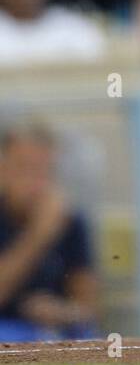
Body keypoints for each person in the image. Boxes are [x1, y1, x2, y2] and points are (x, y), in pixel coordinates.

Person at [0, 125, 98, 341]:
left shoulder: (71, 222)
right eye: (25, 169)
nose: (36, 183)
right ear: (4, 170)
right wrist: (37, 236)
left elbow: (89, 306)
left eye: (45, 171)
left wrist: (62, 312)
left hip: (56, 332)